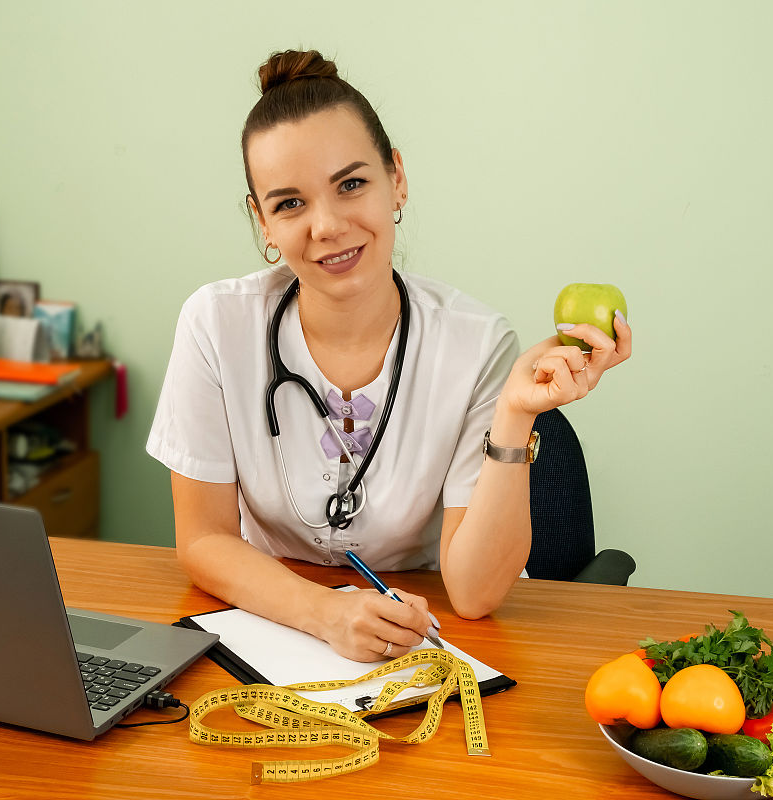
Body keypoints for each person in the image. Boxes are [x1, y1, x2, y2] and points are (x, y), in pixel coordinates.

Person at [147, 49, 630, 662]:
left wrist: (514, 415)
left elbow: (474, 595)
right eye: (289, 203)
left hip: (420, 635)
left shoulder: (477, 344)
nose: (327, 226)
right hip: (272, 627)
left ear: (396, 178)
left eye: (351, 185)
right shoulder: (215, 324)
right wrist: (325, 614)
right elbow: (203, 541)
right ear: (261, 221)